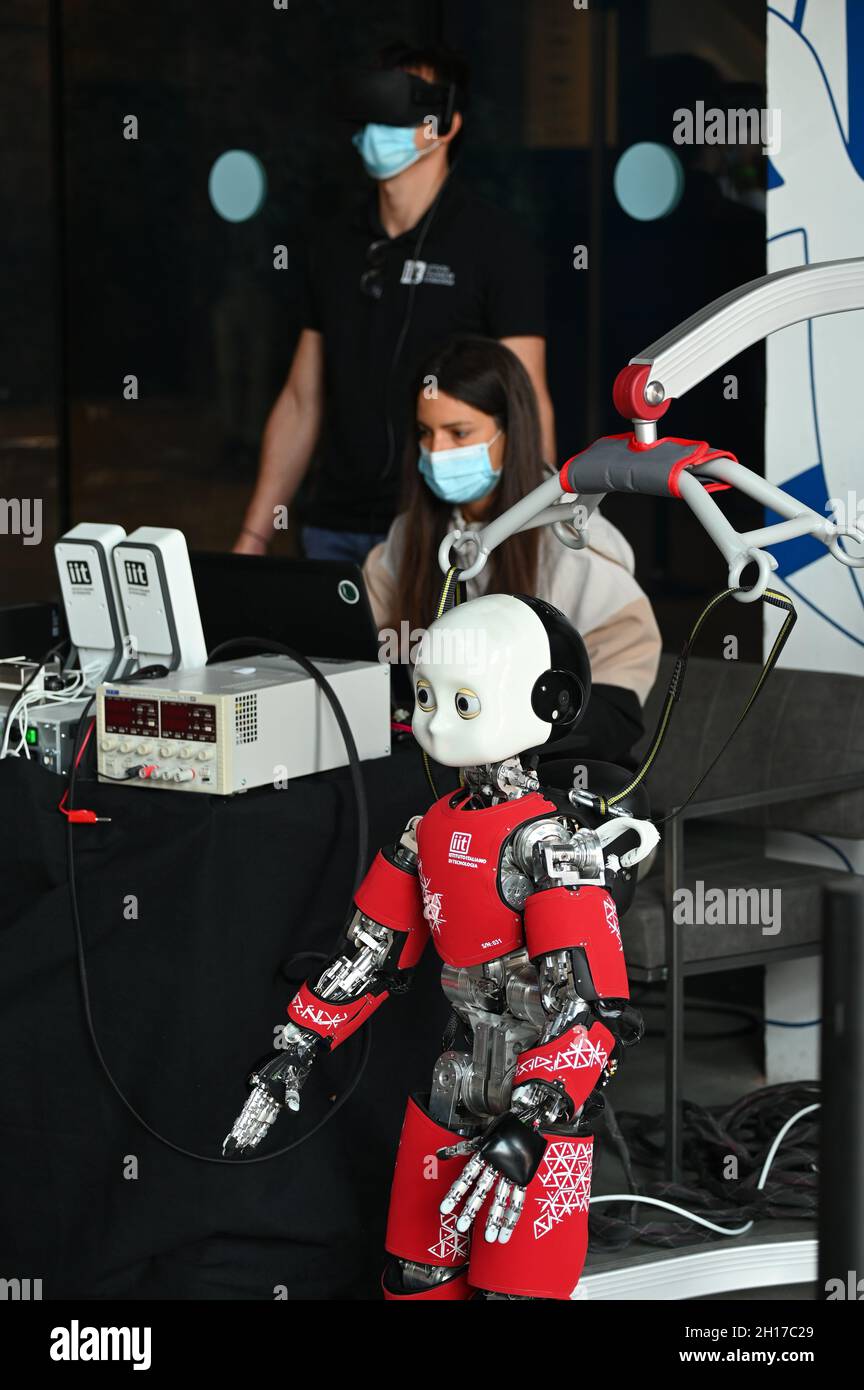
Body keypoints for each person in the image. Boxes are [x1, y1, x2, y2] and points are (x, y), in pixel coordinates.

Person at [234, 40, 554, 565]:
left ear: (446, 123)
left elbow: (526, 397)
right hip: (333, 527)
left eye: (402, 102)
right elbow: (300, 399)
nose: (382, 119)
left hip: (444, 531)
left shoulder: (497, 245)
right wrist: (255, 534)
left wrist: (529, 538)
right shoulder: (334, 244)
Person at [362, 336, 662, 763]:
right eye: (426, 433)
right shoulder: (408, 536)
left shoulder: (573, 538)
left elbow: (616, 707)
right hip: (434, 757)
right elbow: (369, 649)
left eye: (459, 433)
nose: (437, 452)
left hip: (541, 774)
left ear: (511, 430)